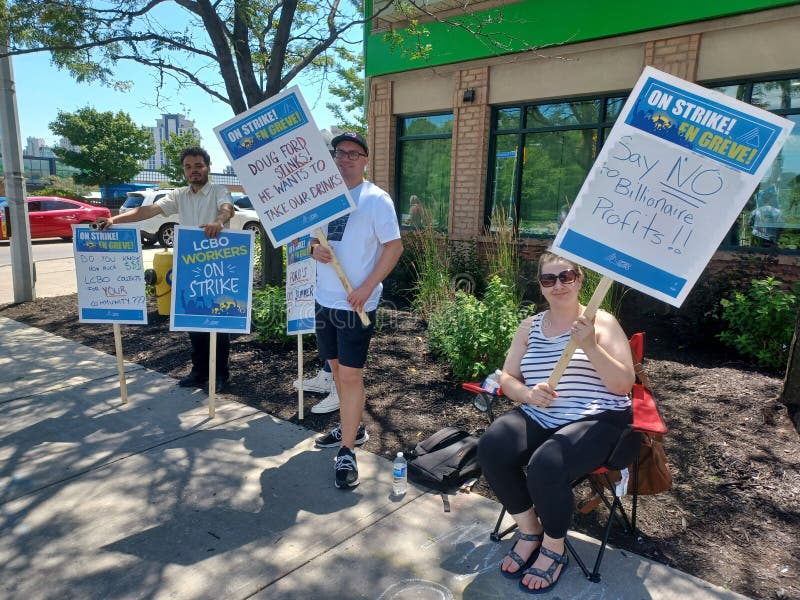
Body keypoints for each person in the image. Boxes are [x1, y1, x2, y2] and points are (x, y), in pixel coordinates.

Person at [477, 251, 635, 594]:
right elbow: (506, 378)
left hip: (598, 419)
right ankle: (529, 529)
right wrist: (528, 394)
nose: (558, 285)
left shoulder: (602, 322)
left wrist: (590, 344)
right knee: (491, 447)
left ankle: (554, 546)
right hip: (542, 413)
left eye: (566, 276)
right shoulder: (530, 326)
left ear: (579, 280)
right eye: (549, 279)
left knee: (546, 464)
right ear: (541, 286)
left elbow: (623, 385)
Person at [95, 147, 235, 393]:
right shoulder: (179, 195)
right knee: (192, 319)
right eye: (188, 167)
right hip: (190, 266)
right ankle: (199, 371)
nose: (193, 171)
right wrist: (114, 220)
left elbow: (227, 209)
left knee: (219, 323)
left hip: (217, 266)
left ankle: (221, 374)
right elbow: (147, 210)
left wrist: (218, 222)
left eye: (198, 165)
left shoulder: (219, 191)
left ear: (207, 168)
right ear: (185, 171)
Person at [309, 131, 403, 489]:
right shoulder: (324, 196)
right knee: (335, 370)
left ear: (365, 159)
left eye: (353, 153)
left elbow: (394, 247)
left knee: (350, 376)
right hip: (324, 300)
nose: (345, 158)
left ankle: (347, 450)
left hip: (355, 304)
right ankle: (355, 427)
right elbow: (313, 239)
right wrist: (311, 250)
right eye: (340, 153)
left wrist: (367, 287)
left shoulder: (376, 200)